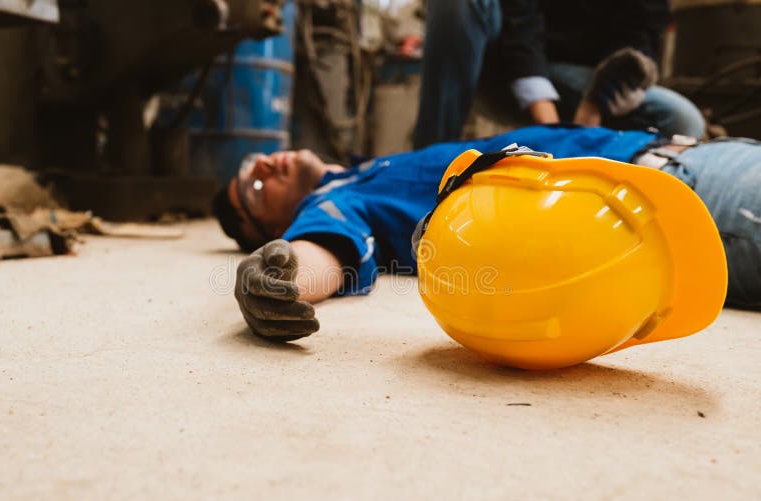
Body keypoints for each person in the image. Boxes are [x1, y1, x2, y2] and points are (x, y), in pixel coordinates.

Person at [212, 125, 761, 341]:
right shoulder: (336, 199)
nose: (260, 167)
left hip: (693, 152)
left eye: (251, 161)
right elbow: (328, 247)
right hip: (666, 197)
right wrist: (278, 275)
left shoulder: (366, 167)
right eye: (253, 191)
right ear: (273, 224)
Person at [413, 0, 706, 149]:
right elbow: (521, 17)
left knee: (682, 119)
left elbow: (641, 33)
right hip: (499, 65)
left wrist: (597, 101)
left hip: (583, 83)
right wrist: (550, 127)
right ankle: (428, 165)